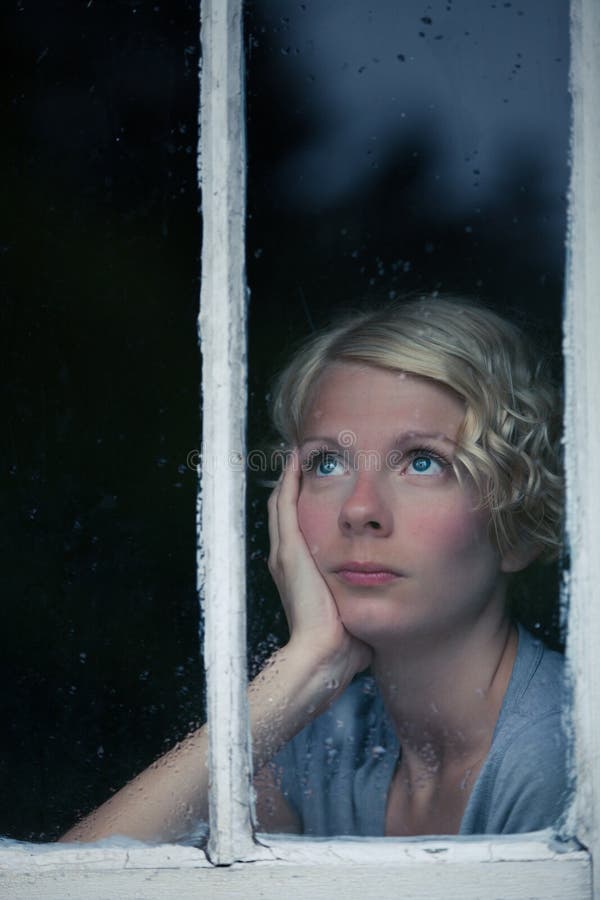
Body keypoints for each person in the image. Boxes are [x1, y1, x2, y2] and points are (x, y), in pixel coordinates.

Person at [60, 296, 568, 843]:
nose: (359, 509)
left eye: (423, 462)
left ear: (518, 526)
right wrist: (304, 668)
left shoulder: (563, 755)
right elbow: (71, 879)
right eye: (328, 463)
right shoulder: (330, 739)